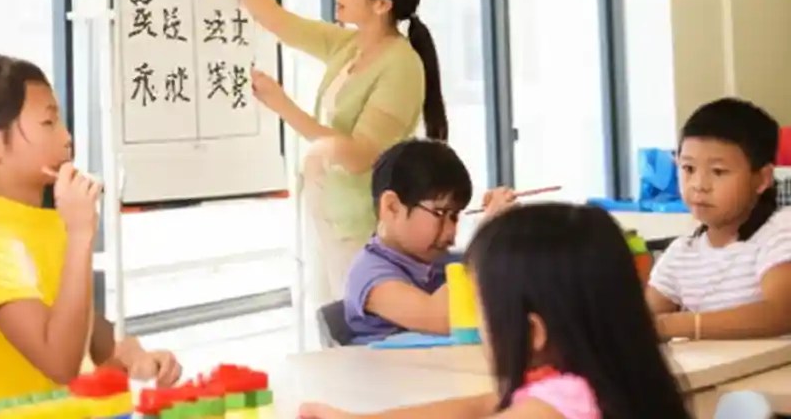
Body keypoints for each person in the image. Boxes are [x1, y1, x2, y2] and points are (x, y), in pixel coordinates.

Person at [210, 0, 446, 307]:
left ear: (381, 4)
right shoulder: (347, 45)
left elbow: (358, 155)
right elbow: (274, 18)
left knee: (356, 339)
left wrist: (283, 106)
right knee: (330, 331)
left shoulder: (403, 65)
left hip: (361, 228)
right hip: (326, 217)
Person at [0, 54, 181, 410]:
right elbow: (60, 361)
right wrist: (81, 234)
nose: (66, 138)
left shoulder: (51, 223)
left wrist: (131, 353)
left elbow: (84, 327)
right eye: (48, 122)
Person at [299, 204, 692, 419]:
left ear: (533, 332)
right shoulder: (613, 380)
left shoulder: (554, 405)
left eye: (482, 311)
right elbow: (473, 407)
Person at [647, 98, 791, 340]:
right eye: (688, 169)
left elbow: (781, 313)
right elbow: (641, 320)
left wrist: (675, 325)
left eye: (718, 172)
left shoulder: (781, 230)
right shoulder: (681, 253)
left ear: (763, 178)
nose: (699, 185)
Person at [342, 140, 512, 344]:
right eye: (440, 214)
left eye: (455, 216)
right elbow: (443, 318)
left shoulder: (441, 261)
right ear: (392, 207)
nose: (451, 232)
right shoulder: (369, 274)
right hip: (396, 375)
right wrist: (487, 235)